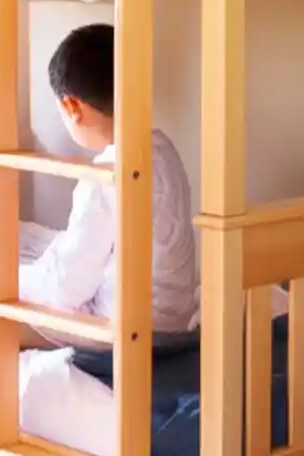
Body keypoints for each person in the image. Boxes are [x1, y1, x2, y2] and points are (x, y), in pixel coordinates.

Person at [18, 23, 198, 345]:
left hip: (125, 333)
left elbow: (68, 286)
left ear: (72, 108)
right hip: (176, 321)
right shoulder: (162, 148)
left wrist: (19, 281)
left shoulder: (104, 176)